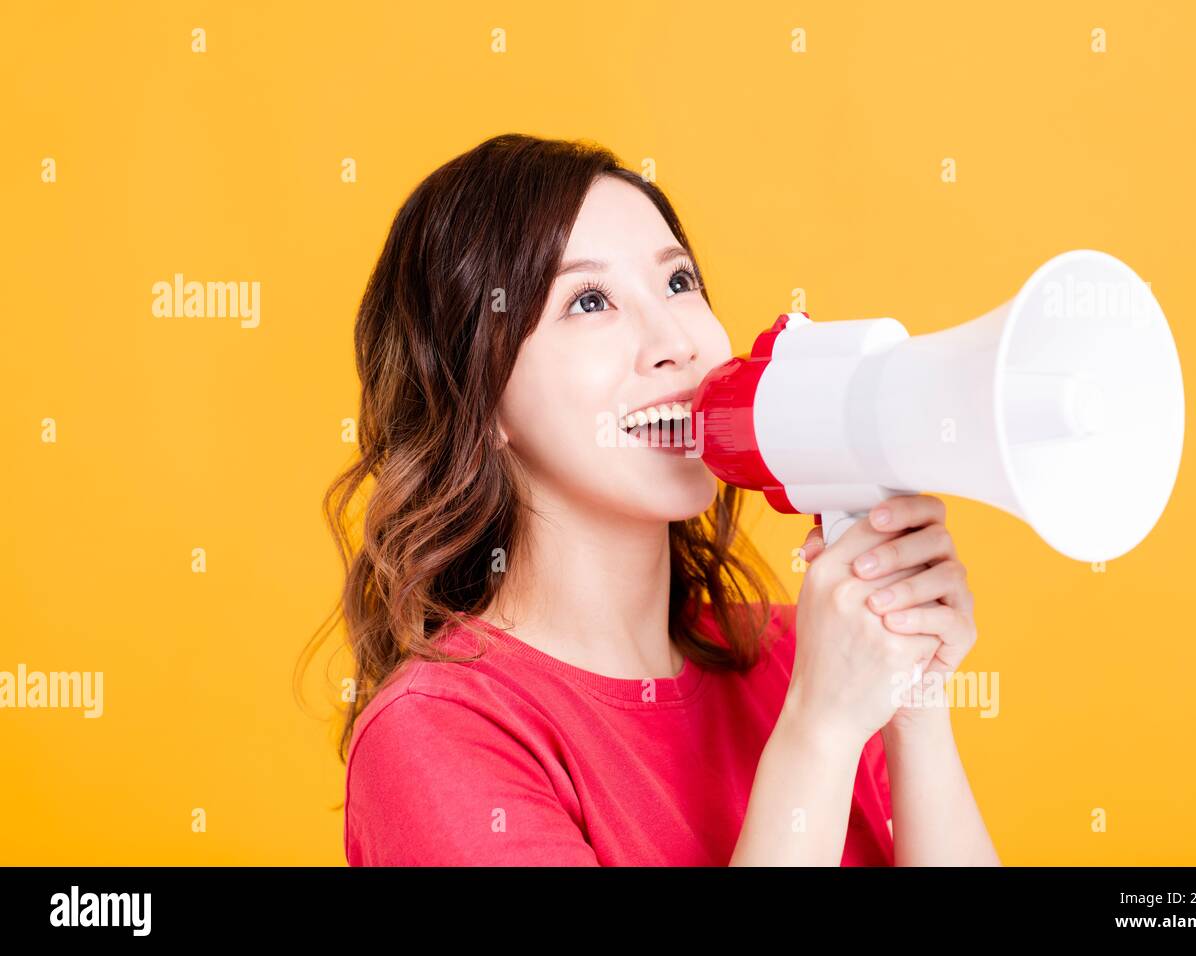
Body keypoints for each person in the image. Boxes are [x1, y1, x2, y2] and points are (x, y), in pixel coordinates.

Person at [316, 132, 999, 866]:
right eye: (589, 300)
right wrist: (821, 729)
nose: (677, 340)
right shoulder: (439, 732)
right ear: (483, 400)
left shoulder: (798, 652)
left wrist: (913, 706)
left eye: (678, 283)